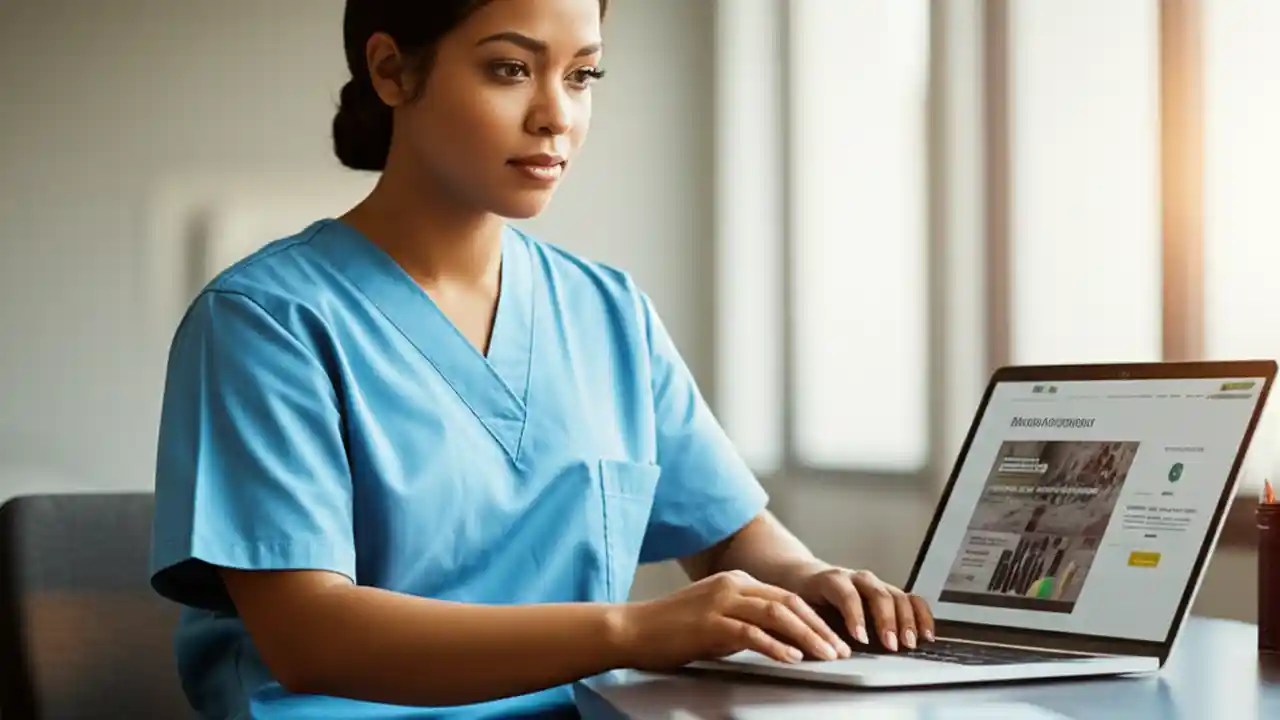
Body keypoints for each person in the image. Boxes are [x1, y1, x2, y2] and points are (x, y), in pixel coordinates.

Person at [148, 1, 935, 717]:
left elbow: (728, 535)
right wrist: (631, 629)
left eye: (583, 74)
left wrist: (805, 581)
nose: (557, 116)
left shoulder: (607, 311)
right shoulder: (267, 321)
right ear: (392, 71)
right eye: (510, 69)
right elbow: (311, 638)